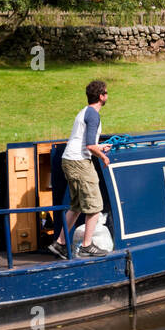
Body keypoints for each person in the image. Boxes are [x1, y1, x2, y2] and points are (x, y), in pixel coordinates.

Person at [50, 80, 113, 259]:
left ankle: (60, 243)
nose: (107, 96)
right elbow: (89, 145)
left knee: (77, 205)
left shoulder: (85, 112)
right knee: (95, 206)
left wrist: (101, 147)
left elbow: (87, 142)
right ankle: (86, 246)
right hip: (79, 162)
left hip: (70, 160)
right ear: (101, 96)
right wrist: (103, 156)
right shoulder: (93, 114)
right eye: (106, 93)